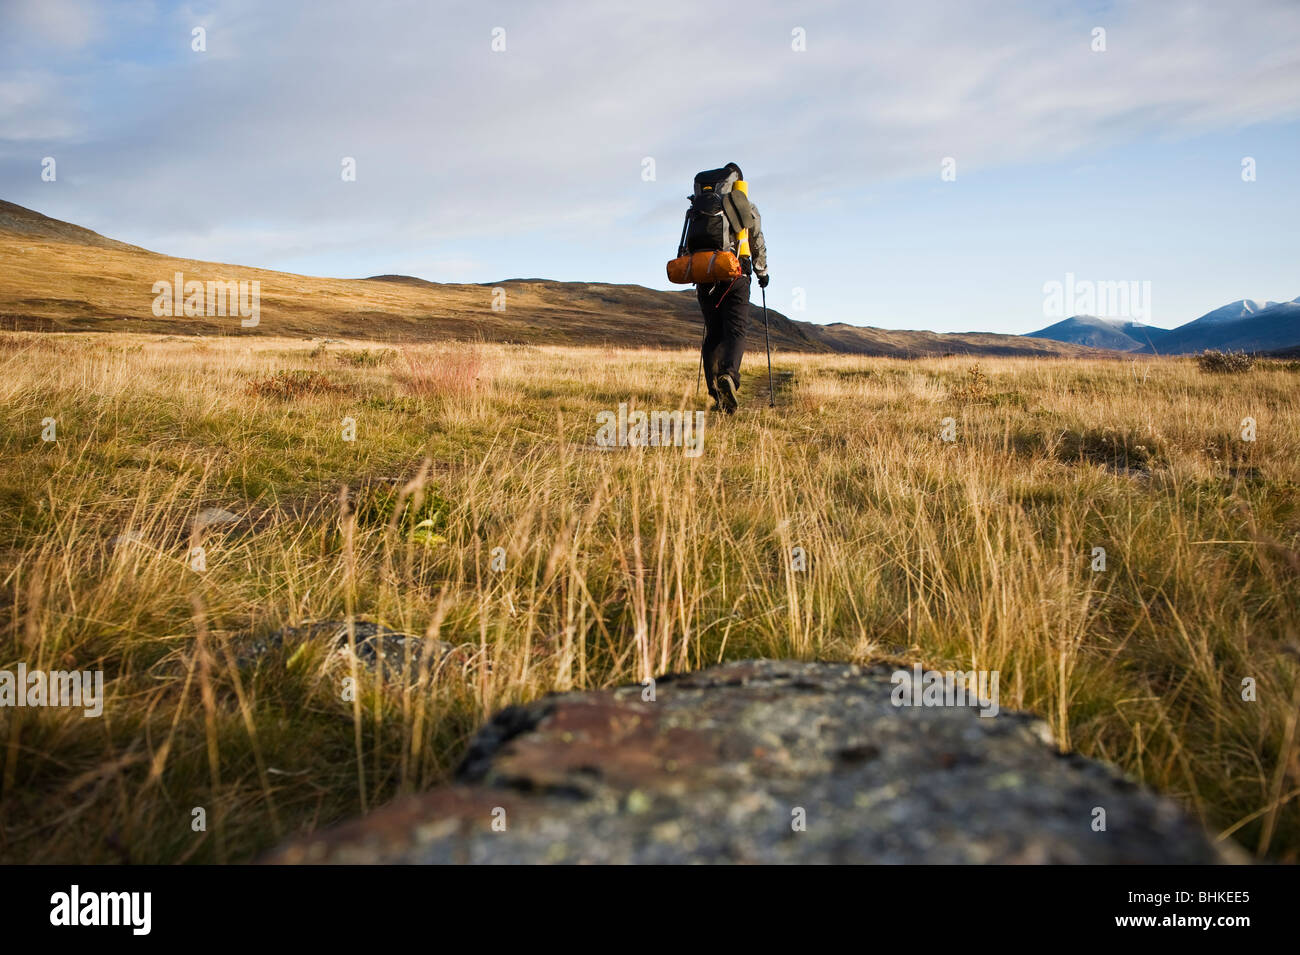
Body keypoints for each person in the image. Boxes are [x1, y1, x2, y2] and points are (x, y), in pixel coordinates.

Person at [691, 163, 768, 414]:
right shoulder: (743, 205)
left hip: (704, 274)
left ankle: (716, 392)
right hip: (735, 274)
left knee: (713, 332)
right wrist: (762, 272)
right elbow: (756, 239)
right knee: (735, 330)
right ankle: (729, 376)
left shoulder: (698, 207)